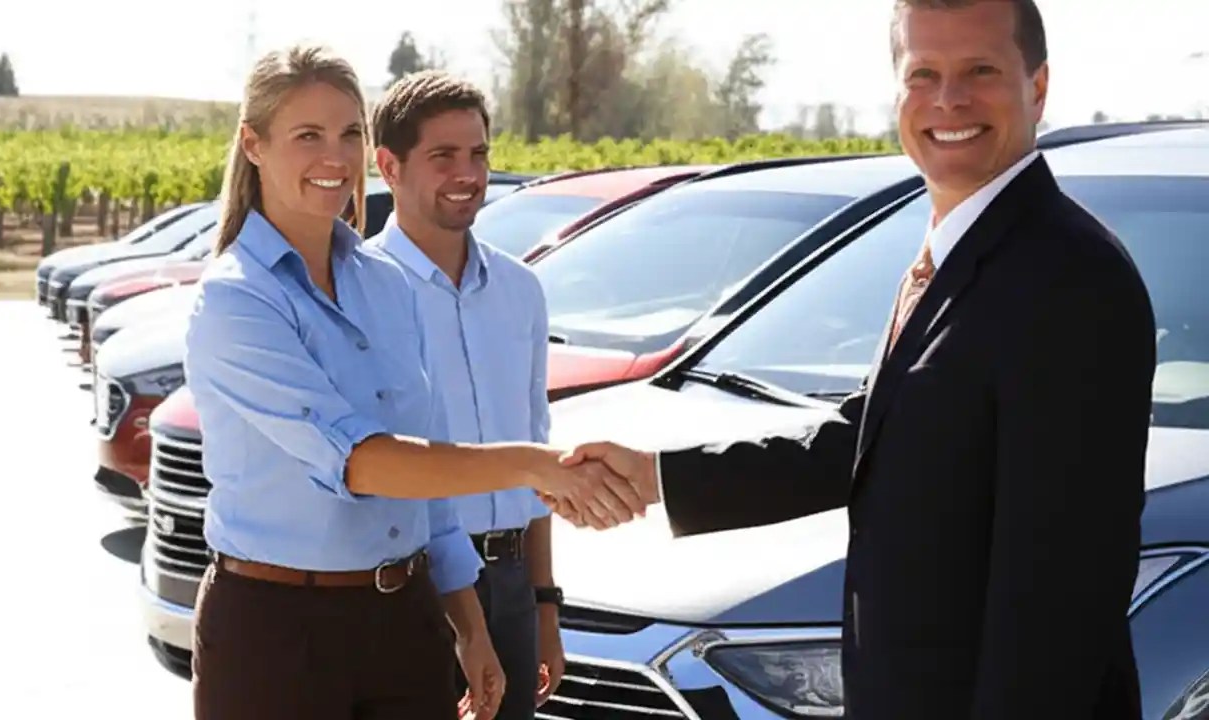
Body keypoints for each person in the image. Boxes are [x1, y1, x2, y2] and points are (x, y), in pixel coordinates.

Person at [554, 1, 1157, 718]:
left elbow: (1061, 595)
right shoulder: (959, 251)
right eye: (923, 73)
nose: (948, 100)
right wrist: (657, 476)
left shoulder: (1070, 280)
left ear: (1040, 85)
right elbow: (865, 440)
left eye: (981, 71)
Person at [183, 43, 627, 720]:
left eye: (350, 134)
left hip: (406, 622)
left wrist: (471, 628)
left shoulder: (386, 284)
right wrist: (540, 467)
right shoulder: (235, 300)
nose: (336, 158)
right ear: (253, 144)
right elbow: (363, 463)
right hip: (277, 633)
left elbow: (432, 490)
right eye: (308, 136)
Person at [365, 71, 564, 720]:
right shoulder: (360, 293)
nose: (467, 173)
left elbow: (537, 456)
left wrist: (544, 606)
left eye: (477, 154)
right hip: (407, 589)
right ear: (389, 166)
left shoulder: (520, 290)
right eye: (443, 155)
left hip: (509, 586)